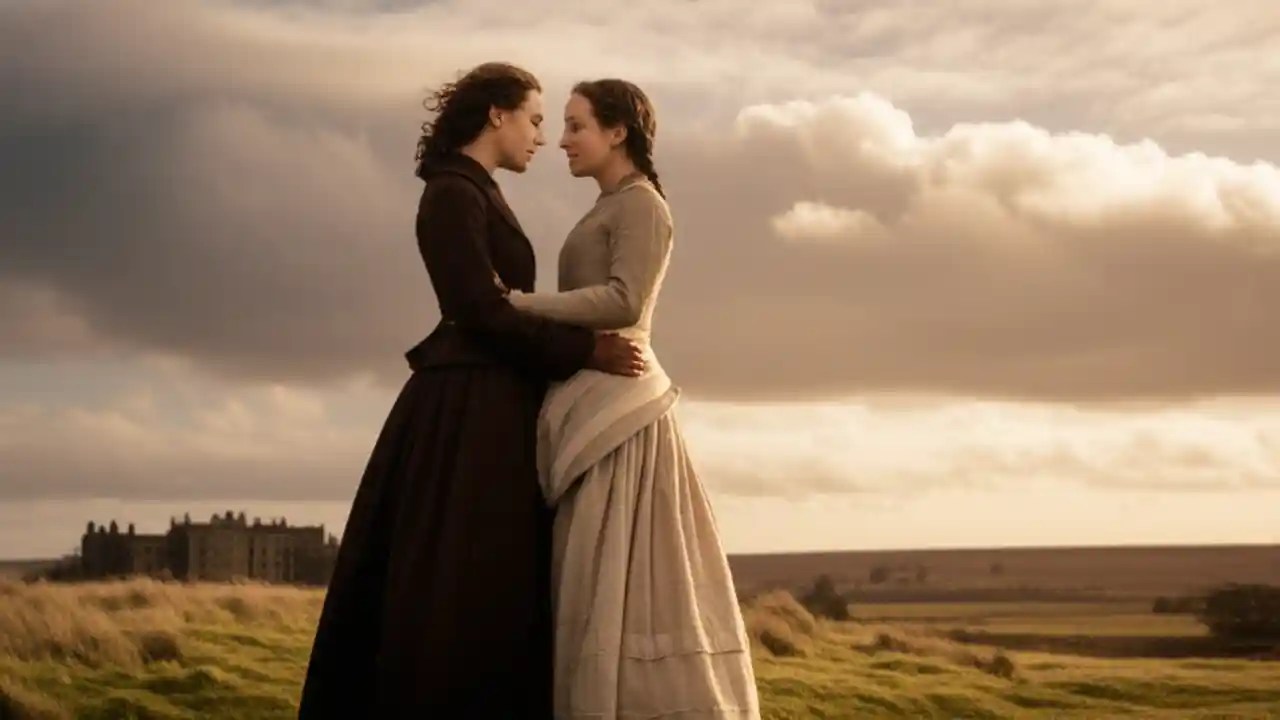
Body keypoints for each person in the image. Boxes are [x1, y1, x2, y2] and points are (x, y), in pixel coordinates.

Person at [296, 62, 646, 718]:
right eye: (536, 120)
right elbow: (480, 309)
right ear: (497, 114)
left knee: (481, 579)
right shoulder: (453, 193)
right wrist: (586, 349)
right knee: (462, 578)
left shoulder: (471, 188)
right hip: (466, 407)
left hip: (488, 397)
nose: (543, 138)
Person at [507, 79, 761, 719]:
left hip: (621, 407)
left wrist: (517, 304)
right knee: (589, 569)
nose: (560, 140)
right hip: (588, 395)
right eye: (559, 125)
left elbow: (624, 301)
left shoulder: (643, 205)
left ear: (617, 132)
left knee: (623, 566)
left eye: (575, 125)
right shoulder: (607, 206)